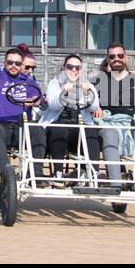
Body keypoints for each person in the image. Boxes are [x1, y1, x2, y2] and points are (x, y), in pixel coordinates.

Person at [41, 53, 121, 184]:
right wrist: (64, 92)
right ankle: (58, 173)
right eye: (70, 67)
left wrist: (87, 93)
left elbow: (95, 107)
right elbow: (53, 106)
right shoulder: (55, 83)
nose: (74, 70)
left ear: (81, 70)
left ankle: (94, 172)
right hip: (58, 123)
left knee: (91, 131)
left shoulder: (87, 84)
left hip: (80, 125)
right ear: (64, 68)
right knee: (60, 129)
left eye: (77, 68)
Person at [92, 42, 135, 168]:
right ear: (108, 59)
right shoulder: (99, 80)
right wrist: (95, 106)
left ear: (126, 57)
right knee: (108, 131)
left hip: (132, 128)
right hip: (107, 126)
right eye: (112, 57)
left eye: (120, 55)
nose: (116, 59)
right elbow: (87, 98)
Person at [0, 34, 43, 175]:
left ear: (22, 65)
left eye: (17, 63)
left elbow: (40, 98)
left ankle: (36, 173)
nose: (13, 66)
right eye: (10, 63)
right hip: (1, 125)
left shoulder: (28, 81)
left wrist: (35, 100)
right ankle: (5, 171)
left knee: (38, 130)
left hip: (22, 125)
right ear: (4, 63)